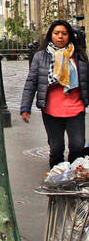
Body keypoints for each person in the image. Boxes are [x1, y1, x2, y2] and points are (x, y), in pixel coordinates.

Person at [20, 20, 88, 169]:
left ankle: (73, 178)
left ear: (69, 36)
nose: (60, 37)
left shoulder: (80, 57)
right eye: (56, 33)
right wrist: (25, 108)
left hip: (75, 109)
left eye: (64, 33)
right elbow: (31, 83)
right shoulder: (40, 57)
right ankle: (56, 179)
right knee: (56, 149)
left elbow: (86, 80)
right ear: (51, 35)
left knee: (77, 147)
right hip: (52, 111)